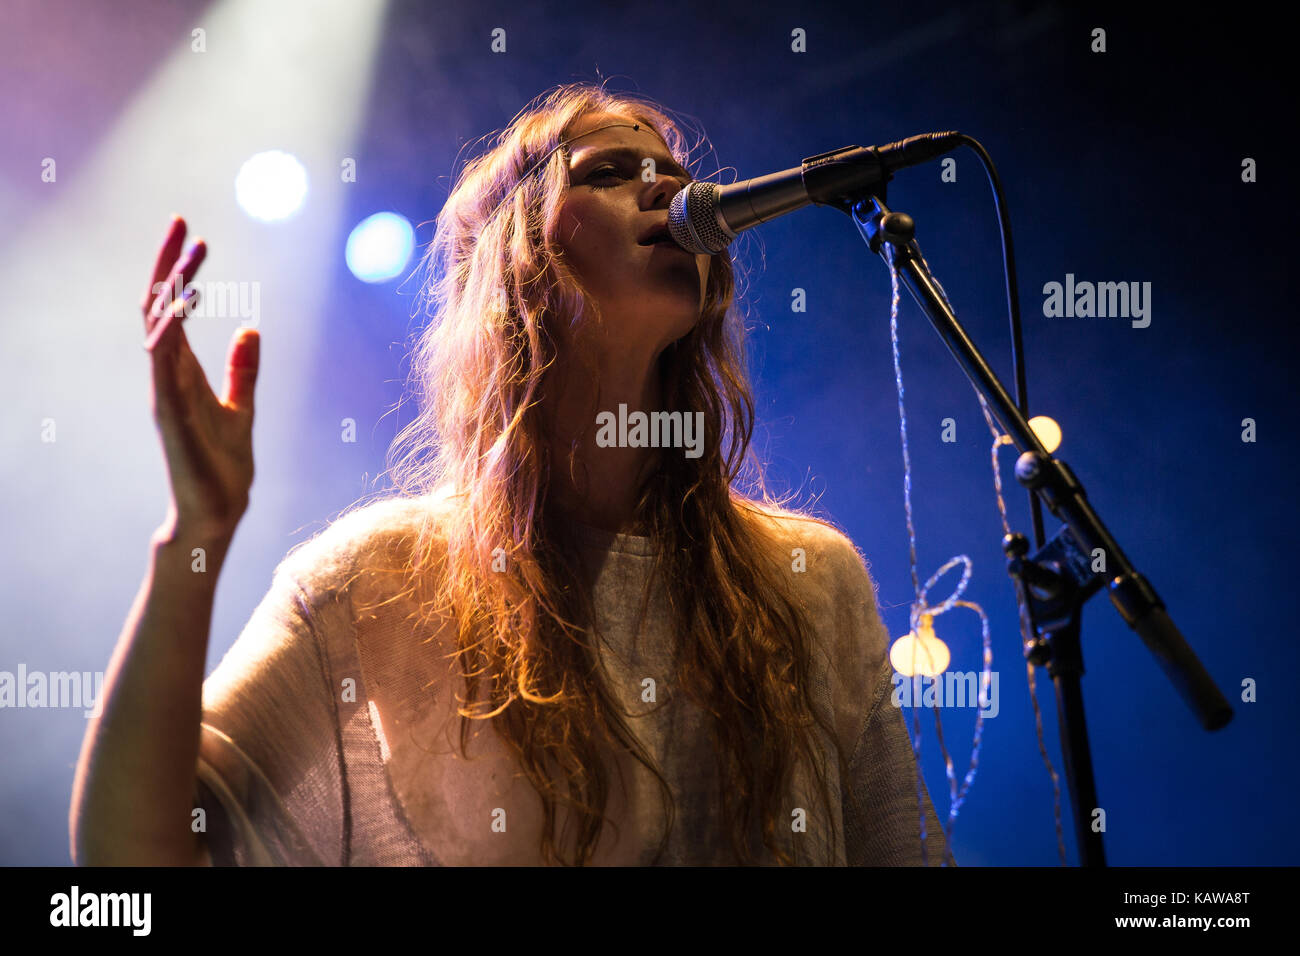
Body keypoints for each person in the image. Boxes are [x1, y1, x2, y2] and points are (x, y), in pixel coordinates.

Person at [69, 82, 952, 866]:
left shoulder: (809, 580)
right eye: (609, 170)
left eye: (675, 174)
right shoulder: (374, 581)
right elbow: (128, 855)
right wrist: (195, 531)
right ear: (516, 262)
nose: (671, 191)